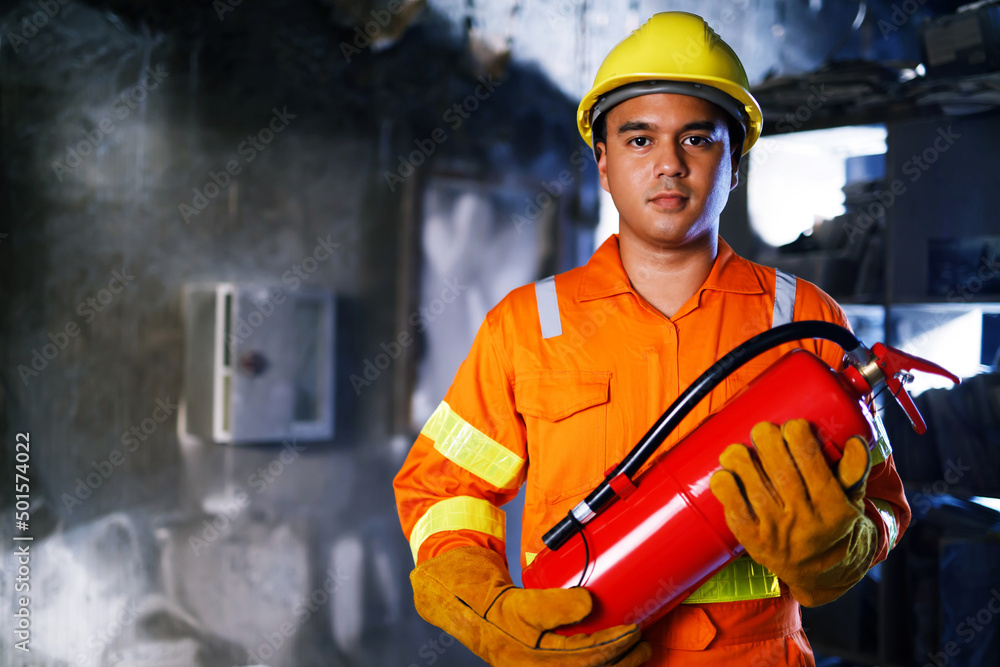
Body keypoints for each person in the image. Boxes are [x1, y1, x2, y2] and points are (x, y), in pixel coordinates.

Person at [394, 11, 910, 666]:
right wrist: (485, 604)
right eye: (639, 141)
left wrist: (838, 550)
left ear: (735, 164)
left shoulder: (804, 317)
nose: (668, 164)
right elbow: (443, 491)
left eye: (696, 139)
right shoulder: (528, 324)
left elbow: (886, 506)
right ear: (603, 163)